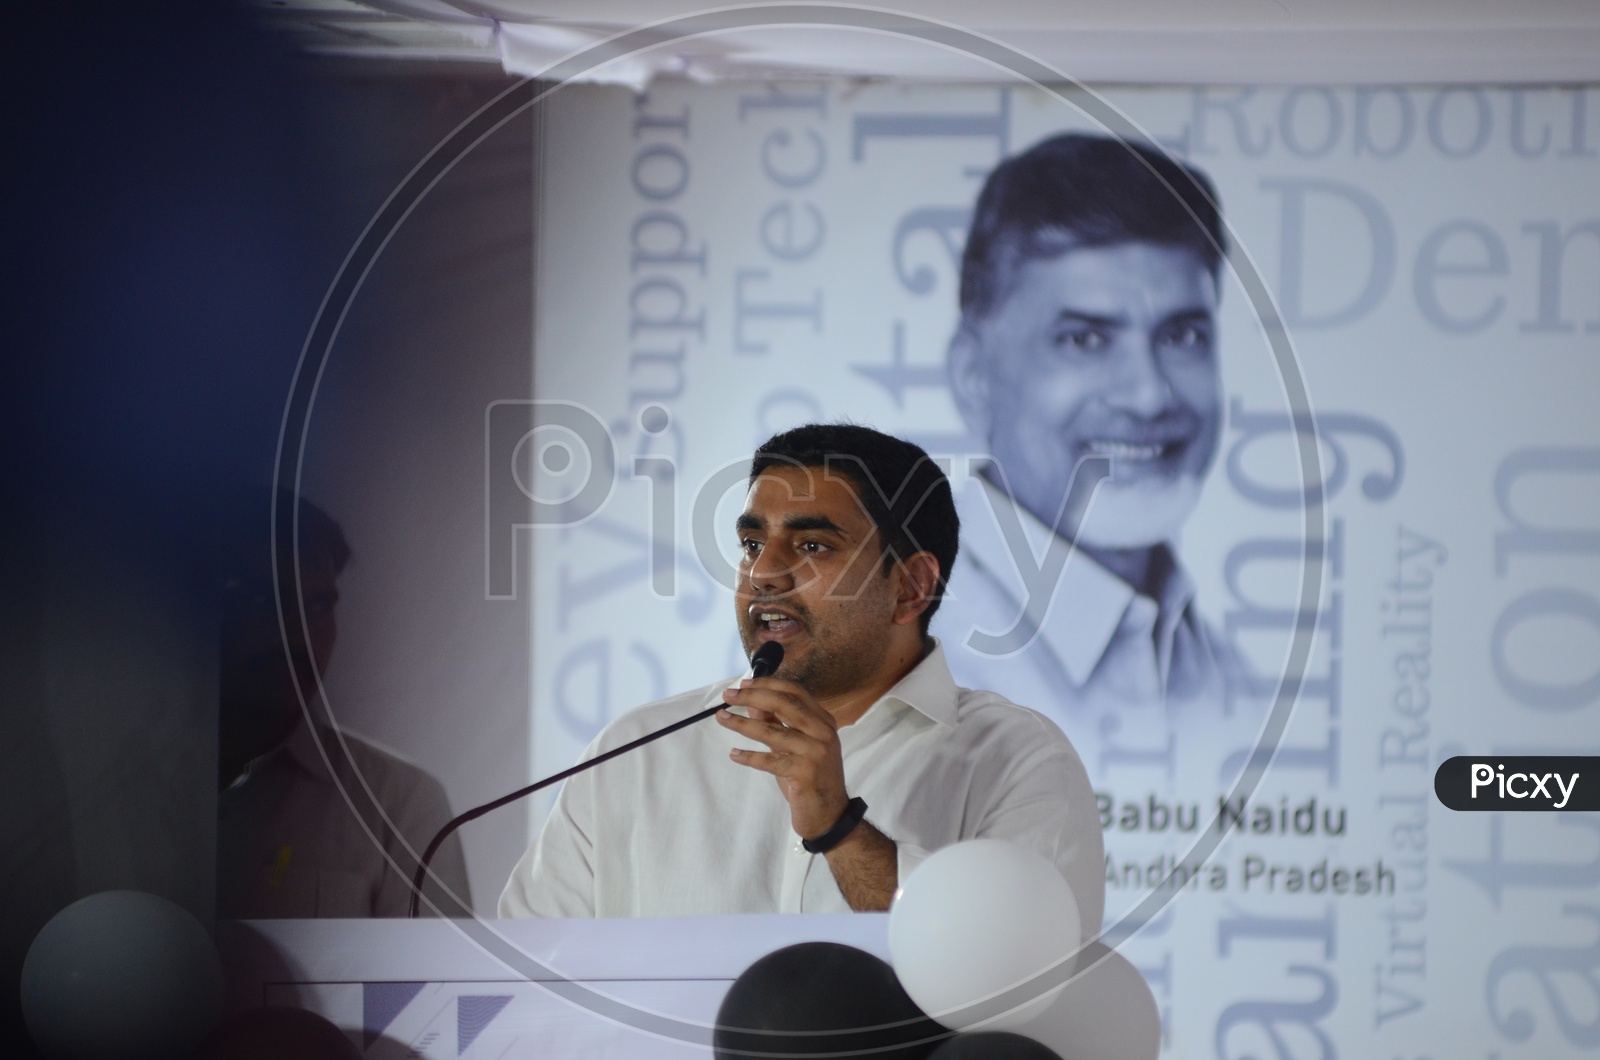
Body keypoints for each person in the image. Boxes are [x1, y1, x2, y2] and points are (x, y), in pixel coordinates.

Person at [500, 424, 1103, 934]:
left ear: (911, 586)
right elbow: (522, 994)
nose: (763, 573)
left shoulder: (1018, 761)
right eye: (751, 543)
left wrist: (841, 827)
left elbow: (1019, 979)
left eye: (812, 545)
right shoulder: (634, 755)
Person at [938, 133, 1255, 778]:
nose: (1148, 395)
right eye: (1084, 339)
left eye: (1183, 335)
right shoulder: (893, 669)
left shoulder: (1235, 682)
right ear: (974, 377)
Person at [216, 491, 470, 917]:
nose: (297, 635)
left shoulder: (398, 802)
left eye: (317, 606)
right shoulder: (121, 782)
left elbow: (436, 985)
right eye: (265, 601)